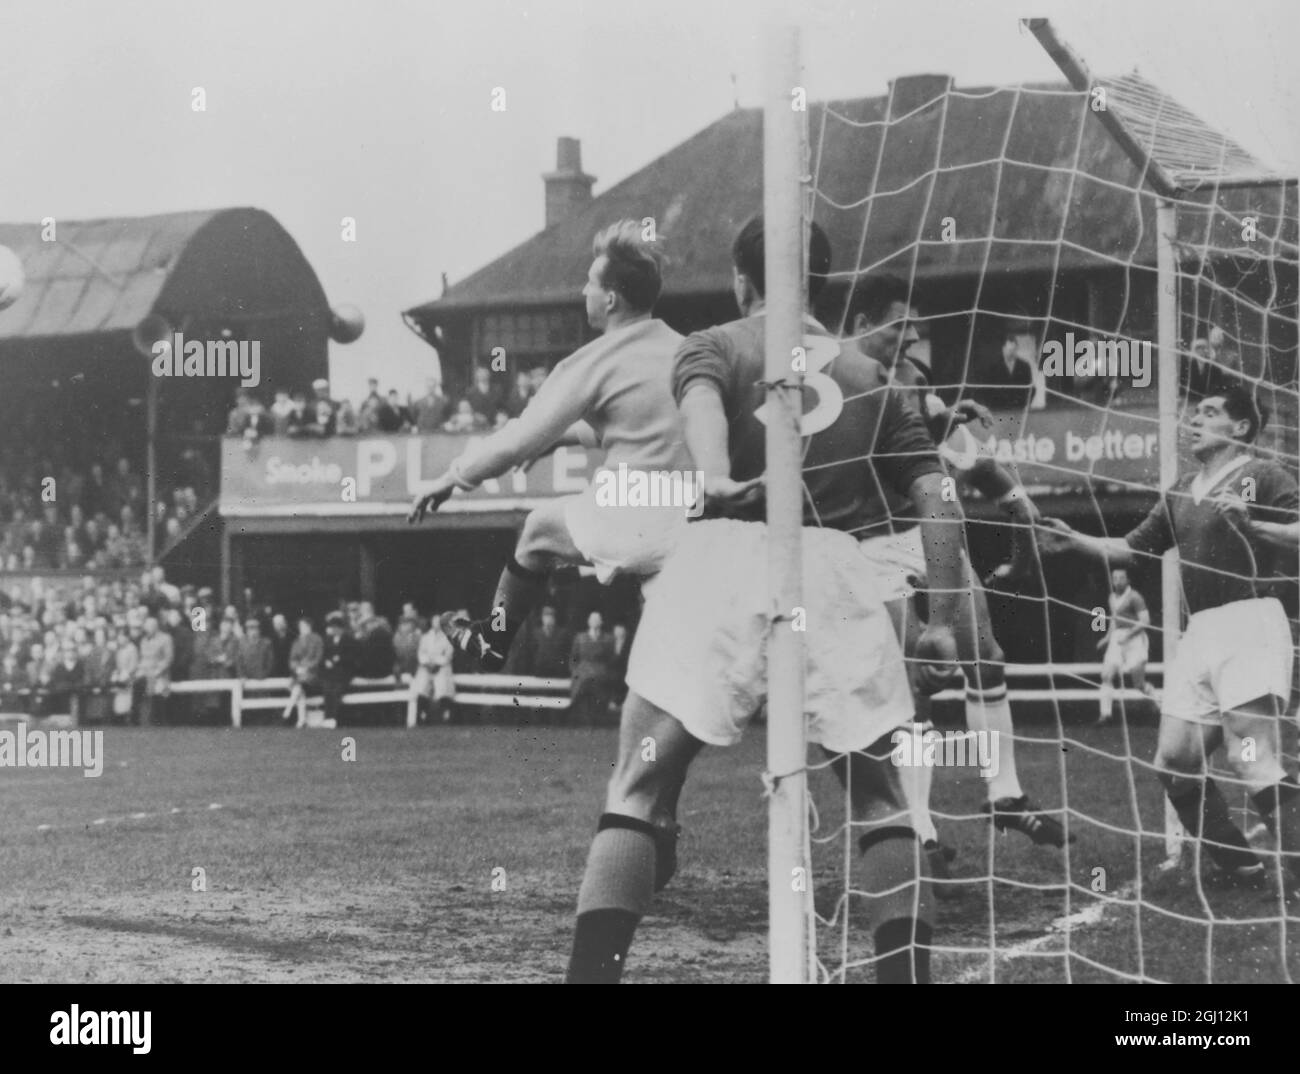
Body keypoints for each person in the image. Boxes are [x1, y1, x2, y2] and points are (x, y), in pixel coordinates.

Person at [564, 216, 966, 984]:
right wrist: (941, 621)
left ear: (742, 280)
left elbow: (703, 410)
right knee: (883, 800)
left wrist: (714, 475)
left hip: (721, 558)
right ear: (825, 285)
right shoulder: (871, 374)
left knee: (639, 786)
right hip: (834, 567)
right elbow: (935, 494)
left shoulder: (714, 344)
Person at [846, 279, 1070, 872]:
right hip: (870, 547)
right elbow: (871, 466)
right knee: (912, 687)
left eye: (917, 330)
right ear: (863, 321)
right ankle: (920, 831)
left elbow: (977, 460)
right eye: (901, 326)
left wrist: (1020, 502)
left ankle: (1005, 794)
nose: (913, 340)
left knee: (985, 656)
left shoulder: (919, 387)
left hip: (932, 535)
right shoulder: (840, 385)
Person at [1038, 387, 1300, 886]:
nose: (1194, 420)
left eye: (1210, 412)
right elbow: (1129, 550)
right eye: (1193, 412)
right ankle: (1241, 865)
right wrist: (1074, 540)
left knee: (1252, 757)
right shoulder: (1180, 490)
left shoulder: (1264, 475)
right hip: (1199, 631)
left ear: (1241, 427)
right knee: (1173, 763)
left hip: (1250, 624)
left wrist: (1256, 524)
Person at [410, 220, 690, 672]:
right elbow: (635, 428)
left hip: (636, 513)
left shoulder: (594, 360)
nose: (583, 291)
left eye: (589, 283)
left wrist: (450, 478)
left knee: (538, 530)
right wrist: (559, 441)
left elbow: (513, 441)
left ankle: (492, 639)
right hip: (690, 522)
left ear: (611, 299)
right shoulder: (685, 351)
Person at [1097, 567, 1154, 725]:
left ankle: (1157, 703)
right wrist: (1107, 638)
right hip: (1118, 639)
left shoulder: (1135, 597)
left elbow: (1145, 621)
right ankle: (1105, 715)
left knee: (1139, 684)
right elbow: (1114, 619)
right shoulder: (1111, 598)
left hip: (1135, 639)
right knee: (1106, 675)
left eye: (1121, 578)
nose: (1117, 581)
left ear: (1128, 580)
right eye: (1115, 578)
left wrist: (1128, 636)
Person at [569, 611, 616, 726]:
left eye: (597, 620)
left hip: (600, 674)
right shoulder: (580, 638)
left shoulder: (608, 639)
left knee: (598, 689)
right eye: (592, 620)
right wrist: (575, 671)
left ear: (601, 622)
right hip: (582, 674)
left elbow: (611, 659)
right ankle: (584, 721)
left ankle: (597, 720)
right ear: (588, 622)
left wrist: (605, 671)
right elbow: (573, 658)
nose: (595, 622)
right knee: (584, 688)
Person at [320, 612, 359, 729]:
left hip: (344, 672)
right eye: (332, 627)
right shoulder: (328, 639)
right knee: (327, 690)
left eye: (335, 627)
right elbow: (324, 655)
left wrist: (339, 659)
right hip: (331, 672)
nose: (333, 630)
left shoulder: (349, 639)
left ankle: (334, 718)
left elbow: (352, 657)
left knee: (337, 691)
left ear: (340, 628)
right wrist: (326, 661)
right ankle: (328, 717)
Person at [413, 616, 456, 724]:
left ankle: (445, 714)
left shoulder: (448, 638)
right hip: (427, 666)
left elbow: (448, 655)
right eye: (434, 622)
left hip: (441, 667)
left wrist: (437, 663)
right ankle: (422, 714)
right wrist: (427, 663)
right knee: (422, 684)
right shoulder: (425, 637)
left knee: (443, 685)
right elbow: (421, 653)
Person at [285, 615, 324, 727]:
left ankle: (288, 708)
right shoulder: (297, 641)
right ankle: (301, 720)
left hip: (313, 673)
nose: (302, 628)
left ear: (310, 626)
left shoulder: (317, 639)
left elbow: (318, 658)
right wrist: (297, 668)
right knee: (299, 689)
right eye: (300, 626)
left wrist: (307, 667)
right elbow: (292, 659)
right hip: (299, 673)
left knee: (299, 685)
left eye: (304, 626)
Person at [136, 615, 173, 726]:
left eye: (149, 626)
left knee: (156, 687)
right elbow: (142, 659)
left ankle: (155, 721)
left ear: (156, 627)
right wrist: (140, 670)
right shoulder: (143, 640)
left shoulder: (166, 638)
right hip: (145, 674)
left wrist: (158, 671)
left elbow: (168, 659)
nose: (147, 629)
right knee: (137, 683)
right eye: (146, 627)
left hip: (160, 674)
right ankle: (140, 721)